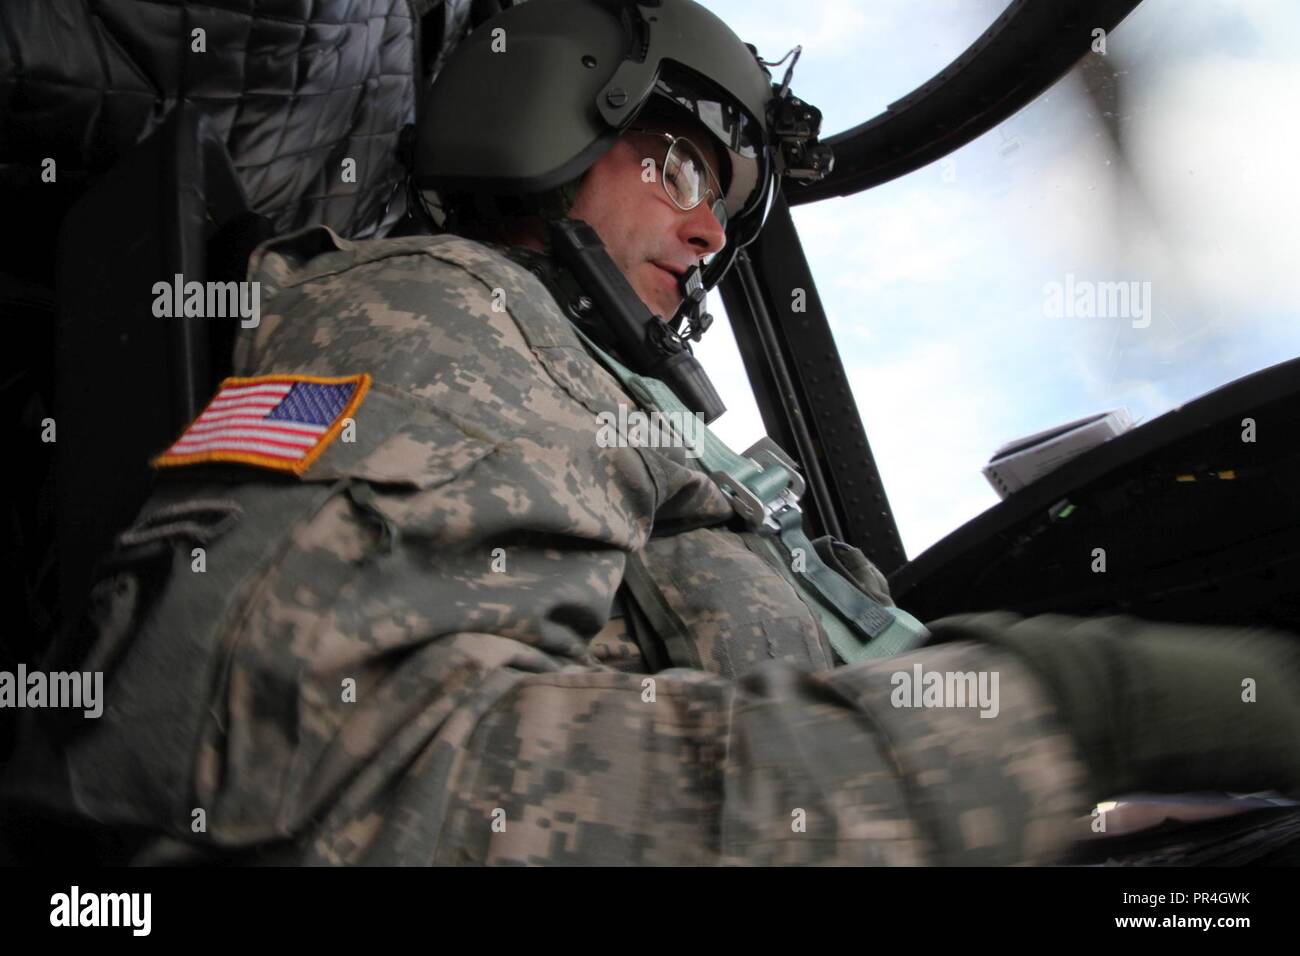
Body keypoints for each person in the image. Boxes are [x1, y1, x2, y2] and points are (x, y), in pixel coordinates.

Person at [4, 0, 1299, 866]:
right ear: (552, 119)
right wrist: (1063, 724)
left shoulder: (642, 415)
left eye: (728, 218)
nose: (705, 235)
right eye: (681, 167)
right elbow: (278, 771)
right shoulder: (451, 310)